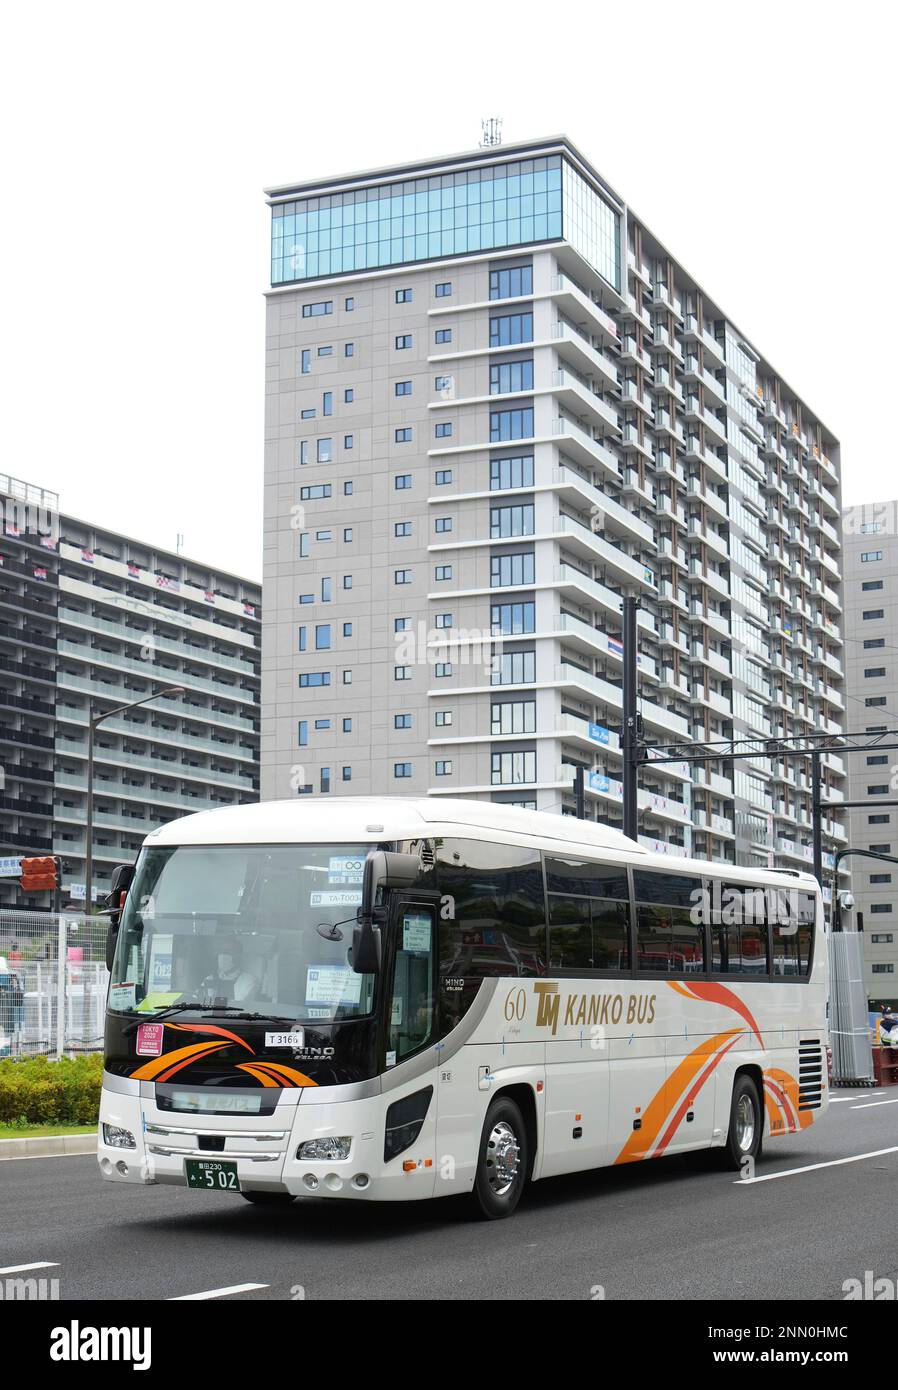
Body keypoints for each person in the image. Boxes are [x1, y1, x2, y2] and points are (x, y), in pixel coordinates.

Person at [200, 935, 258, 1005]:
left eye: (228, 952)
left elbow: (245, 1007)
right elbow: (199, 1001)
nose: (223, 955)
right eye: (221, 952)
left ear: (238, 956)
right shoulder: (209, 978)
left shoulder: (249, 981)